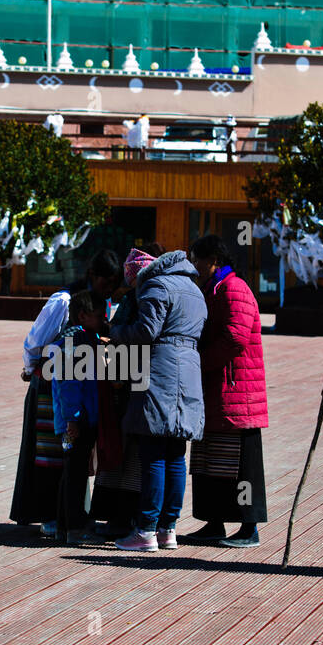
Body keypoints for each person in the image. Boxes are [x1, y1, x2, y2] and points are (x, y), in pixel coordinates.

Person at [10, 249, 122, 536]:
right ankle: (50, 516)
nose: (109, 290)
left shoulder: (103, 306)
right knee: (50, 455)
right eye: (106, 282)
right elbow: (34, 342)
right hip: (51, 386)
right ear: (93, 276)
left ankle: (69, 517)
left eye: (113, 284)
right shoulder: (64, 301)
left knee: (72, 458)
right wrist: (30, 369)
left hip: (80, 389)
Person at [108, 248, 207, 552]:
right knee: (176, 454)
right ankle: (168, 530)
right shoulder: (193, 288)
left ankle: (146, 531)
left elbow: (145, 331)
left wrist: (115, 330)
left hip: (159, 368)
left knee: (152, 451)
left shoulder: (156, 285)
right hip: (189, 369)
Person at [182, 235, 269, 548]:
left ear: (213, 260)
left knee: (241, 464)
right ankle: (213, 522)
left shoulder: (234, 288)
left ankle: (249, 528)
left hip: (237, 391)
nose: (194, 266)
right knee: (209, 460)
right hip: (215, 389)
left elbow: (235, 338)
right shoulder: (212, 288)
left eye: (197, 259)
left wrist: (198, 362)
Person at [91, 247, 157, 538]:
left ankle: (119, 517)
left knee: (125, 450)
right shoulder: (146, 297)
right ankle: (124, 517)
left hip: (130, 385)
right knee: (128, 452)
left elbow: (121, 335)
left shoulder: (138, 299)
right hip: (138, 382)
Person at [48, 290, 104, 544]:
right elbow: (69, 384)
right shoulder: (73, 344)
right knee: (75, 474)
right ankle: (75, 529)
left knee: (71, 471)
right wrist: (73, 419)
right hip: (76, 420)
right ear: (82, 315)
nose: (102, 320)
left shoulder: (81, 340)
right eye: (98, 316)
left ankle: (63, 527)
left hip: (77, 418)